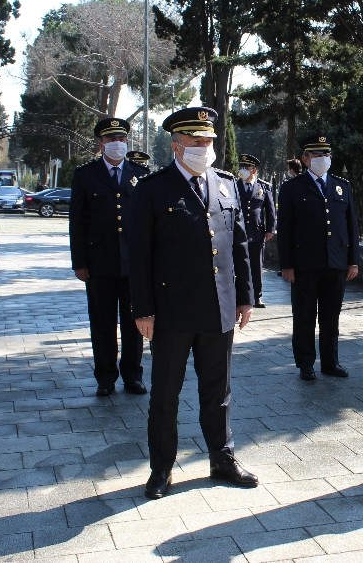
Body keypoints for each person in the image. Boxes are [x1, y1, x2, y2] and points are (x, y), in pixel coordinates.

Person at [129, 106, 257, 500]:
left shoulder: (224, 185)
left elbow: (239, 244)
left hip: (218, 307)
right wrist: (143, 309)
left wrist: (246, 297)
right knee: (166, 393)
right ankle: (162, 468)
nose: (204, 148)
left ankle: (222, 457)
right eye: (196, 142)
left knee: (218, 390)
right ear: (176, 145)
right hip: (171, 312)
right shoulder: (152, 190)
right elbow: (138, 255)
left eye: (208, 142)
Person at [70, 118, 150, 397]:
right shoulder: (86, 175)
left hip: (133, 264)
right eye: (111, 138)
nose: (118, 143)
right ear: (101, 143)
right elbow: (77, 222)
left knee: (135, 322)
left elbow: (147, 221)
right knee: (102, 322)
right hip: (99, 262)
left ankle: (133, 375)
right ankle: (105, 377)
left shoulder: (140, 173)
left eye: (122, 138)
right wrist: (79, 262)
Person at [276, 134, 360, 381]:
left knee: (330, 316)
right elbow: (286, 230)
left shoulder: (341, 186)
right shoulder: (292, 188)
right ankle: (305, 363)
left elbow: (351, 225)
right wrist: (287, 265)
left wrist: (353, 259)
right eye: (316, 155)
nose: (322, 159)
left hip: (335, 263)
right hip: (304, 264)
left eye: (326, 154)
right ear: (305, 159)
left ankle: (330, 362)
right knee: (304, 315)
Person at [237, 154, 276, 308]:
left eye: (246, 168)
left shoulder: (263, 186)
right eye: (241, 167)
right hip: (238, 232)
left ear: (253, 170)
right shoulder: (234, 184)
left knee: (256, 265)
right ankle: (240, 295)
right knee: (238, 264)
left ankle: (257, 295)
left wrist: (270, 229)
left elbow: (270, 209)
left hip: (256, 232)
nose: (242, 170)